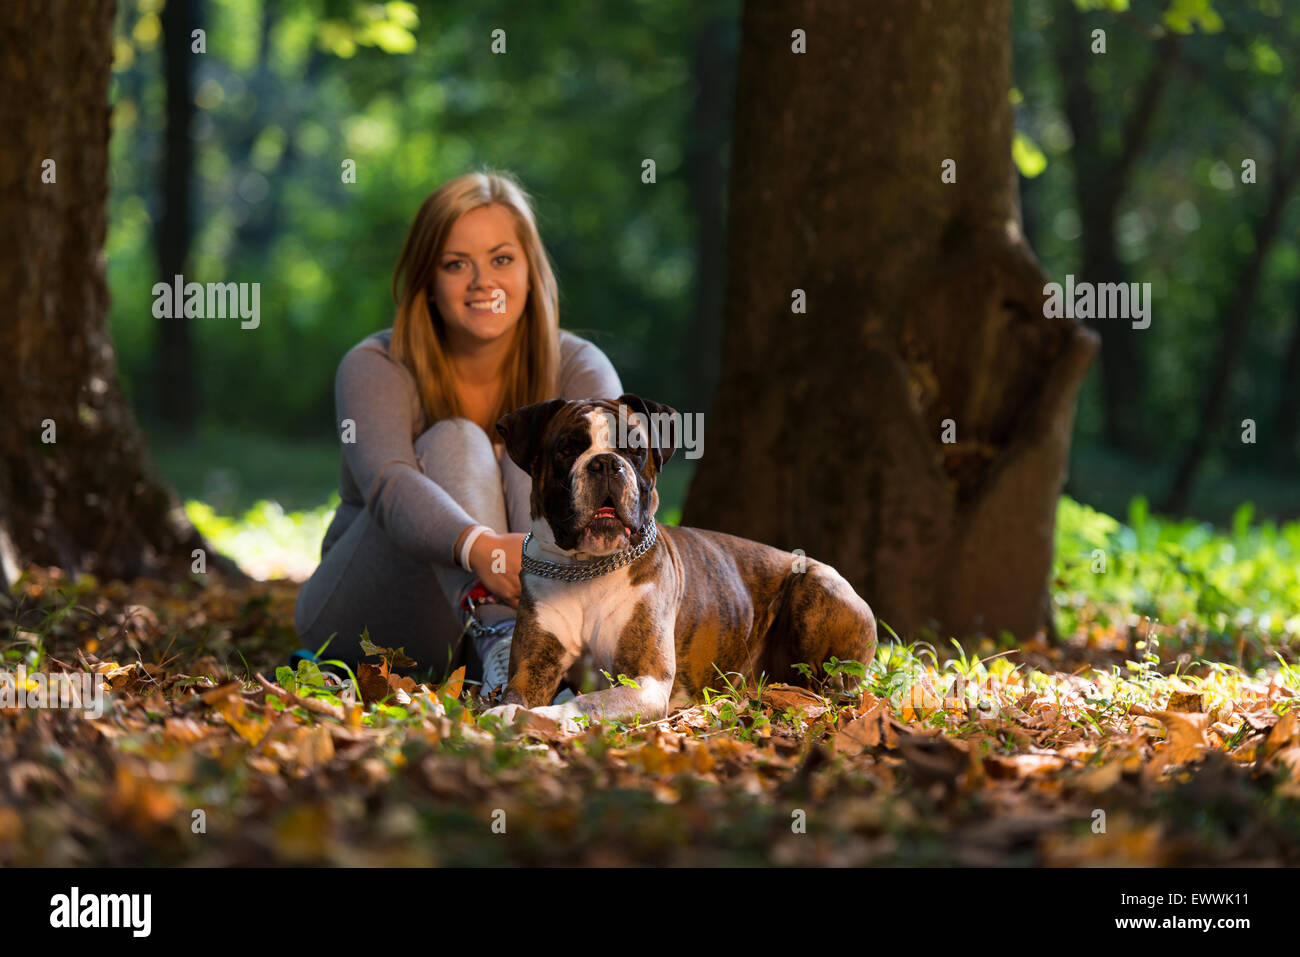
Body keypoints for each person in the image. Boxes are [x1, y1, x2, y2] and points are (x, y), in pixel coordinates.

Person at [293, 169, 623, 695]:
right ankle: (508, 650)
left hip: (550, 613)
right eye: (455, 264)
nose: (482, 282)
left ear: (531, 272)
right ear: (427, 281)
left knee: (542, 447)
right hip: (372, 614)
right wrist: (480, 547)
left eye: (501, 259)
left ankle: (531, 655)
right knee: (457, 438)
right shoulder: (375, 365)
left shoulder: (580, 368)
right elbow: (388, 483)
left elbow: (615, 503)